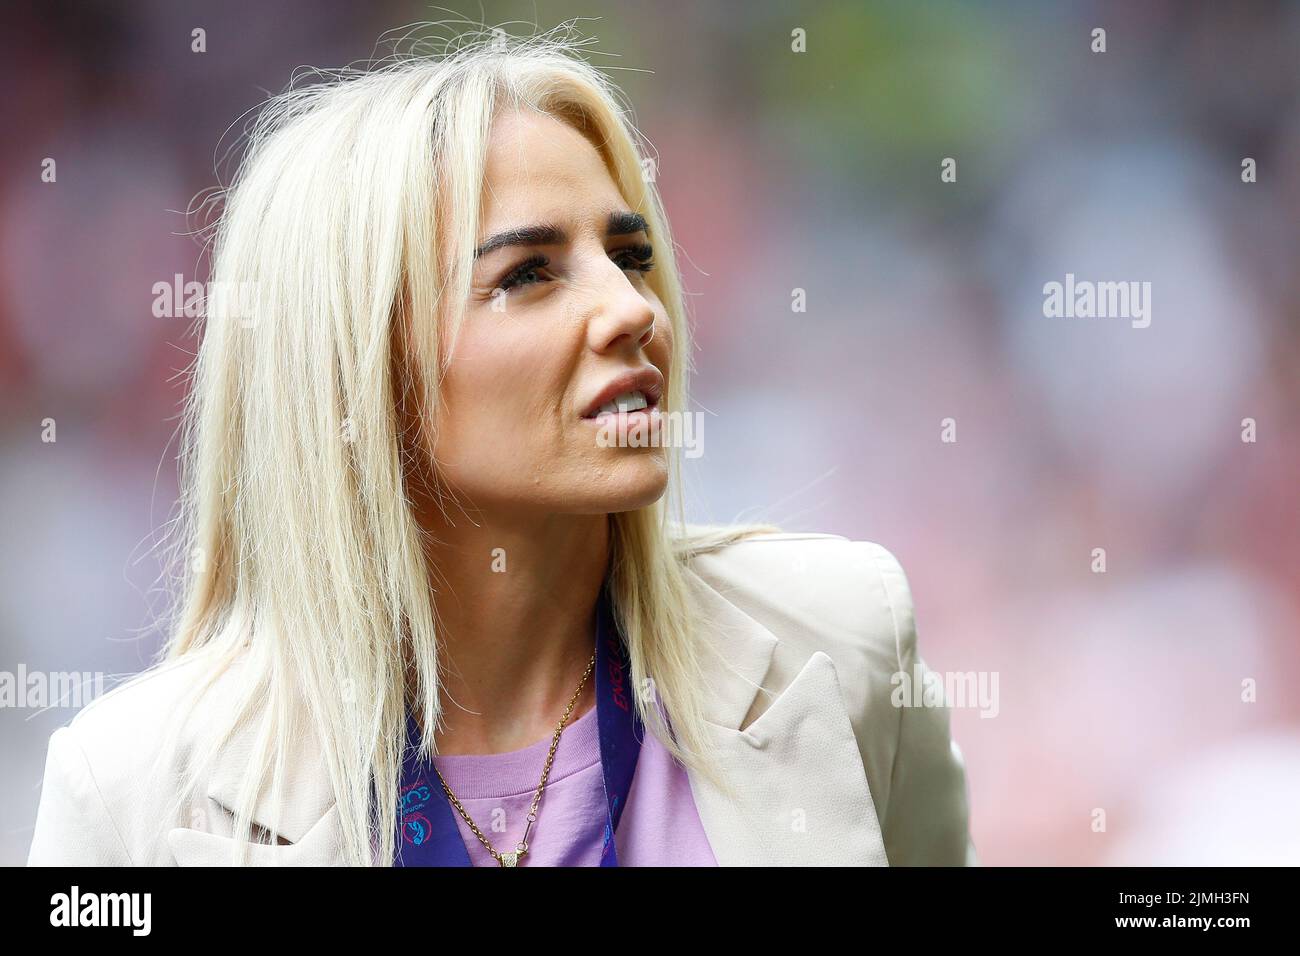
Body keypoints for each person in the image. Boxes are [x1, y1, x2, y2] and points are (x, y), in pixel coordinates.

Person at [27, 29, 976, 867]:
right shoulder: (133, 791)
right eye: (528, 272)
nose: (632, 309)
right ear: (357, 363)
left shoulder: (841, 638)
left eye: (631, 254)